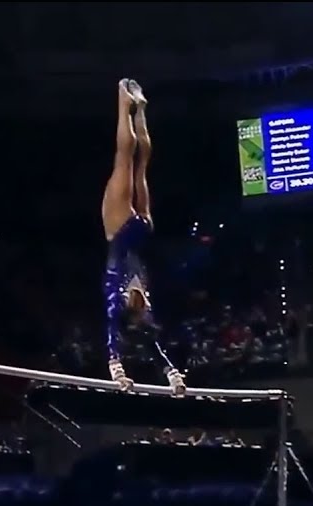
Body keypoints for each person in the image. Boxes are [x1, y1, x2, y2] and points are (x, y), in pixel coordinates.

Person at [101, 78, 185, 396]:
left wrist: (117, 370)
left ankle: (140, 112)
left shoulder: (117, 299)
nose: (146, 307)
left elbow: (112, 335)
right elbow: (154, 345)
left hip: (140, 228)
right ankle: (125, 102)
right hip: (123, 228)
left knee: (139, 165)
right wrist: (173, 374)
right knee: (128, 160)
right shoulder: (136, 304)